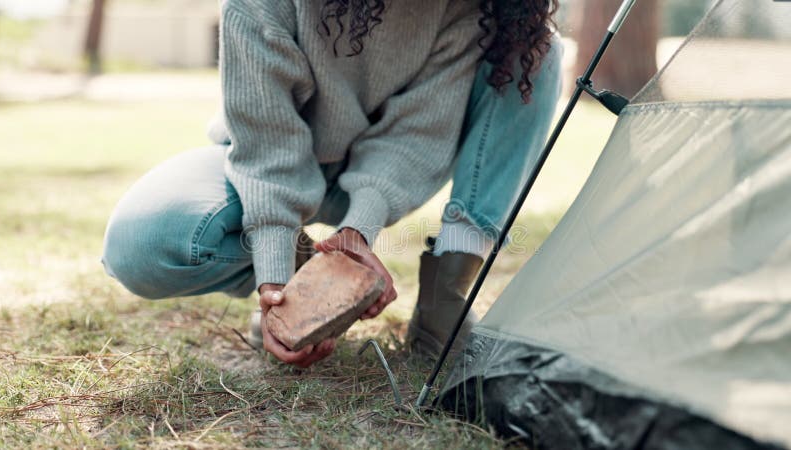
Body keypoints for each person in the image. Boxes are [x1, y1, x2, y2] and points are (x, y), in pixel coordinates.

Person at [102, 0, 563, 368]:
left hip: (376, 171)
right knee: (140, 245)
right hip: (263, 164)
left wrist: (357, 232)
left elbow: (415, 133)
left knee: (537, 50)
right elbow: (267, 150)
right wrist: (278, 281)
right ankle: (309, 280)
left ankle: (447, 295)